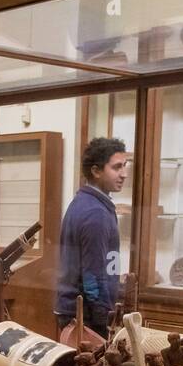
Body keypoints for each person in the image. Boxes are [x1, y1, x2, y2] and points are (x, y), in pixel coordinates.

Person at [55, 137, 129, 338]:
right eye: (116, 167)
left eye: (125, 165)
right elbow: (92, 277)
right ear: (96, 171)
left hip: (77, 312)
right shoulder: (95, 213)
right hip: (86, 317)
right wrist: (103, 321)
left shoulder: (84, 203)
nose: (124, 174)